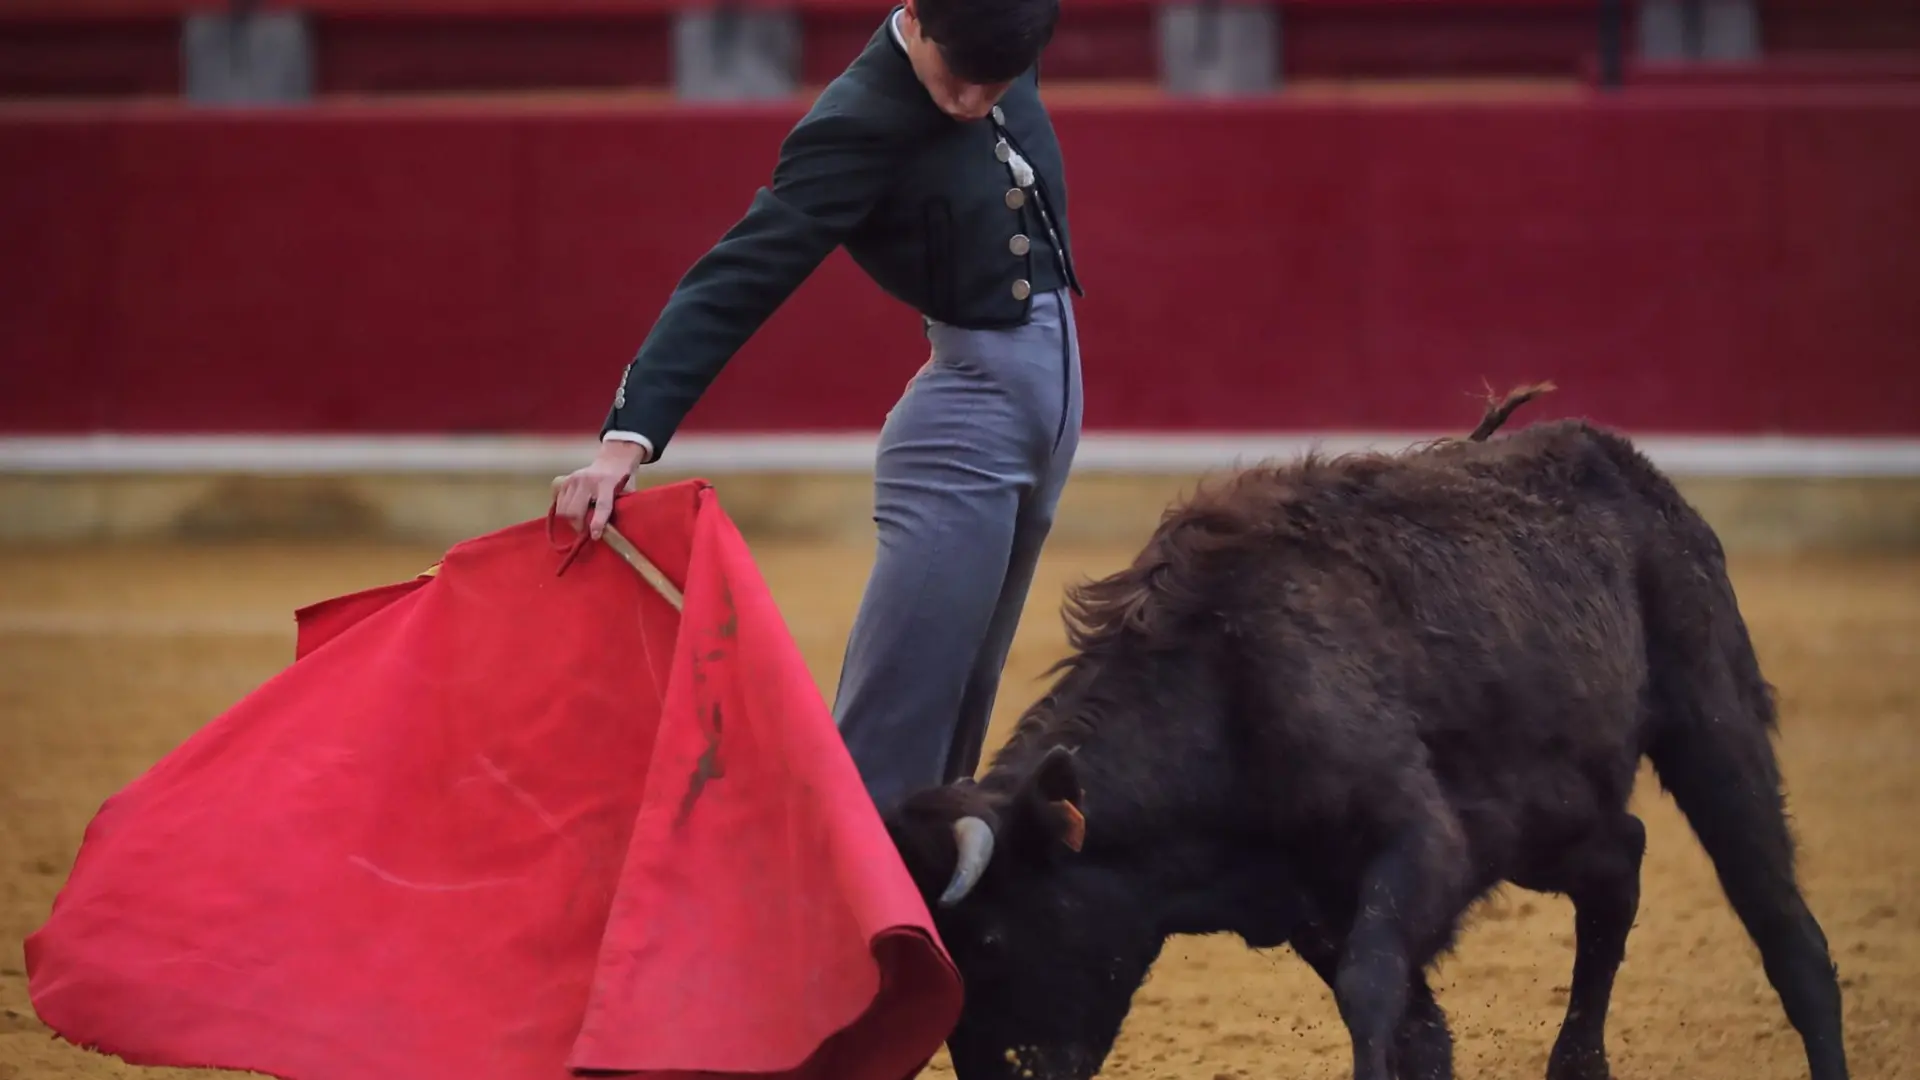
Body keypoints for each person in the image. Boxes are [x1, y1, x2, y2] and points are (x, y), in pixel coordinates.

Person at [553, 0, 1084, 813]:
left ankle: (925, 907)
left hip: (1042, 418)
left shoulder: (999, 19)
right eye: (959, 77)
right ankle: (836, 917)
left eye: (997, 83)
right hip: (963, 431)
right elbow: (738, 277)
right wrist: (625, 442)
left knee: (961, 702)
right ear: (919, 17)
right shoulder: (859, 120)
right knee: (898, 722)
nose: (974, 103)